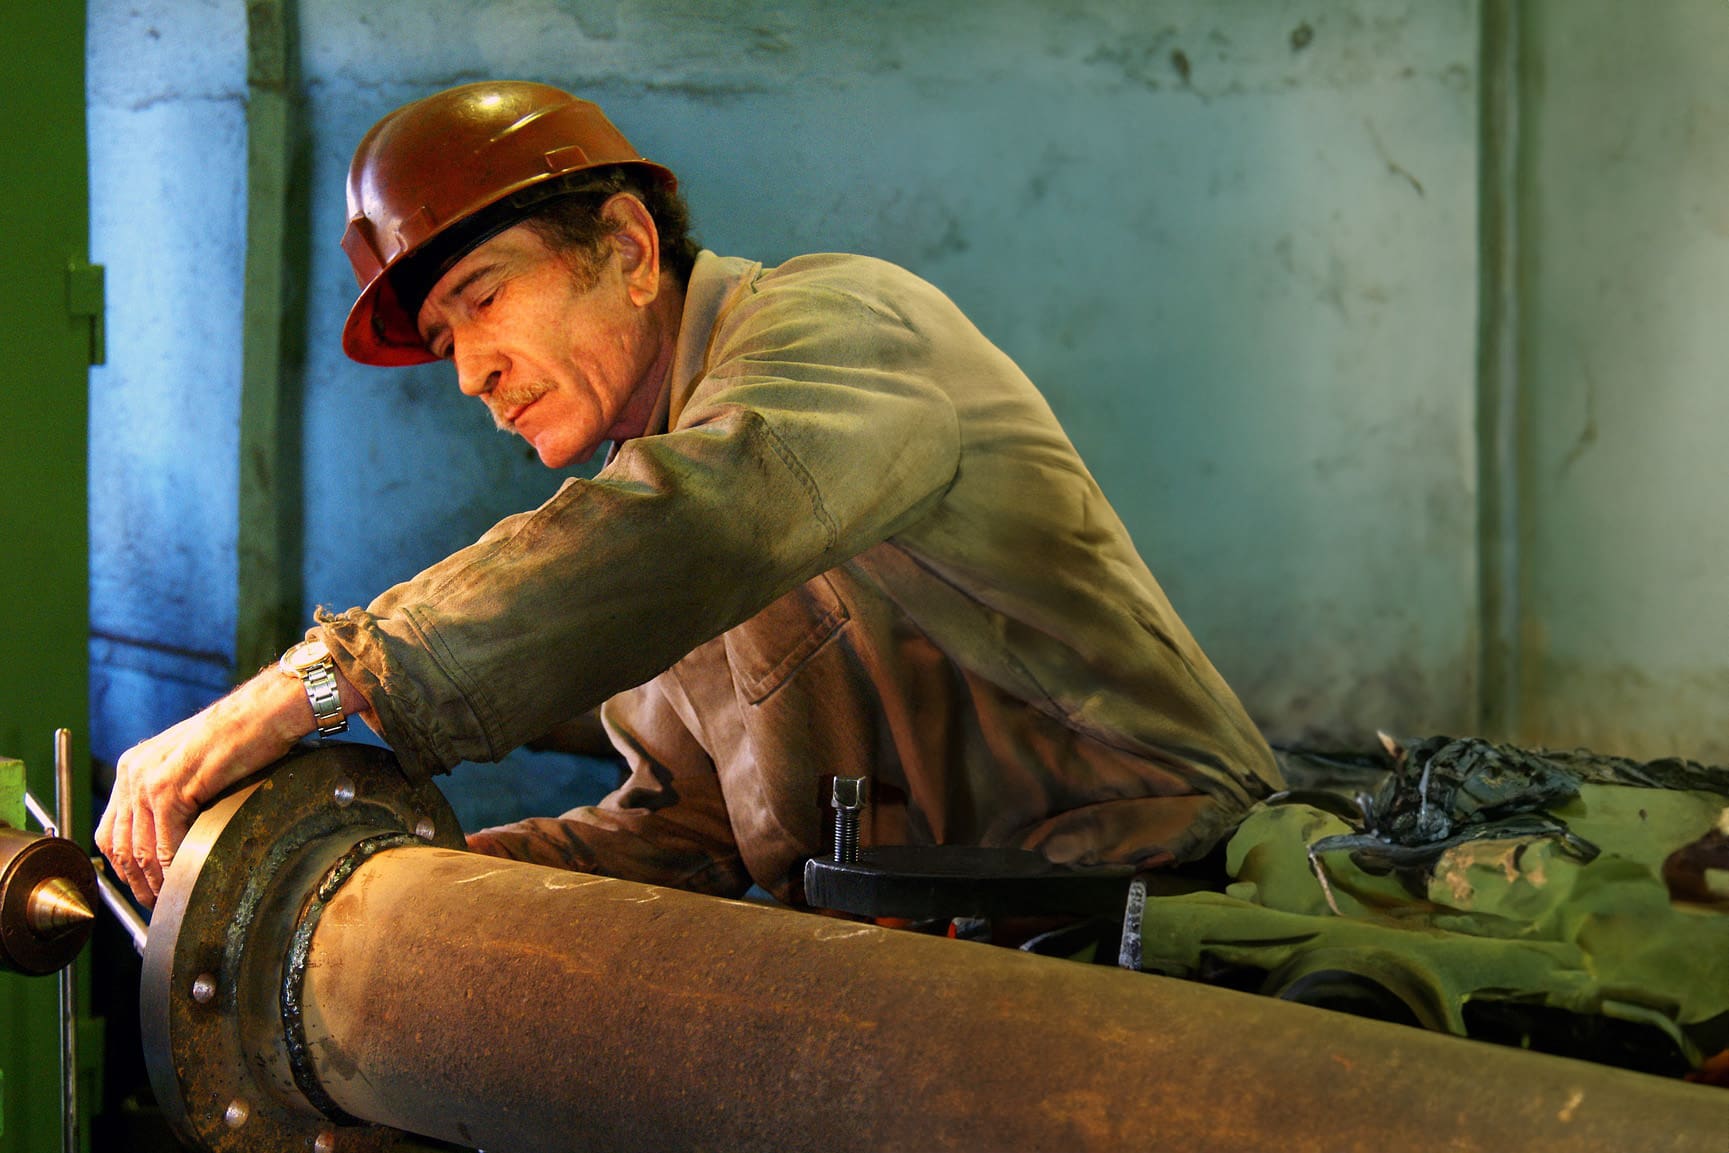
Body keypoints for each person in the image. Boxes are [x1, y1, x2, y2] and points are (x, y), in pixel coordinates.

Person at [97, 81, 1282, 909]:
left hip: (1158, 907)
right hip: (948, 949)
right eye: (446, 335)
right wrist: (385, 882)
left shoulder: (839, 328)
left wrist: (319, 680)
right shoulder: (647, 492)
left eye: (486, 296)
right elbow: (696, 833)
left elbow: (700, 519)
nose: (470, 373)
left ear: (626, 245)